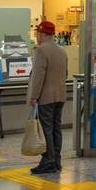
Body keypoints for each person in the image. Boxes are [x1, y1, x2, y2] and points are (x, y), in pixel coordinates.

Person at [27, 19, 68, 175]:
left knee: (46, 130)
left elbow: (38, 76)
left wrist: (34, 96)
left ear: (42, 34)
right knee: (56, 128)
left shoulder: (41, 50)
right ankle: (57, 161)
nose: (36, 35)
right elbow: (65, 73)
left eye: (37, 32)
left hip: (46, 96)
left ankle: (48, 162)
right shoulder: (61, 50)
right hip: (60, 95)